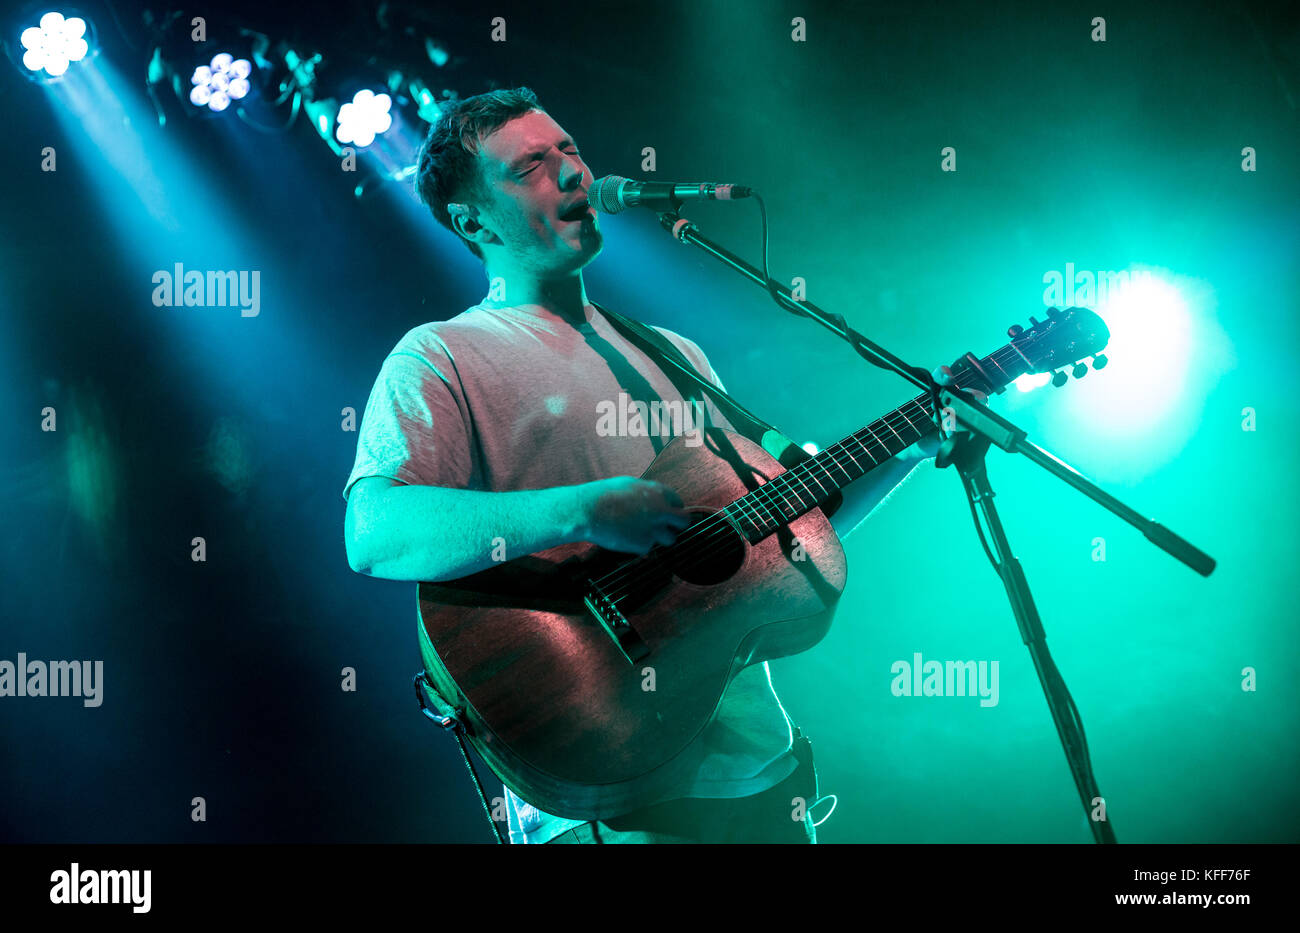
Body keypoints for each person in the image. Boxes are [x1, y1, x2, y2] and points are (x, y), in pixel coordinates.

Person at [342, 87, 942, 843]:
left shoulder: (674, 353)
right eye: (531, 165)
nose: (571, 173)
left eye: (570, 150)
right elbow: (373, 531)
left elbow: (779, 525)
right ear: (472, 221)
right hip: (605, 797)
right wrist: (580, 510)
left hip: (760, 777)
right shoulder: (441, 355)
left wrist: (911, 448)